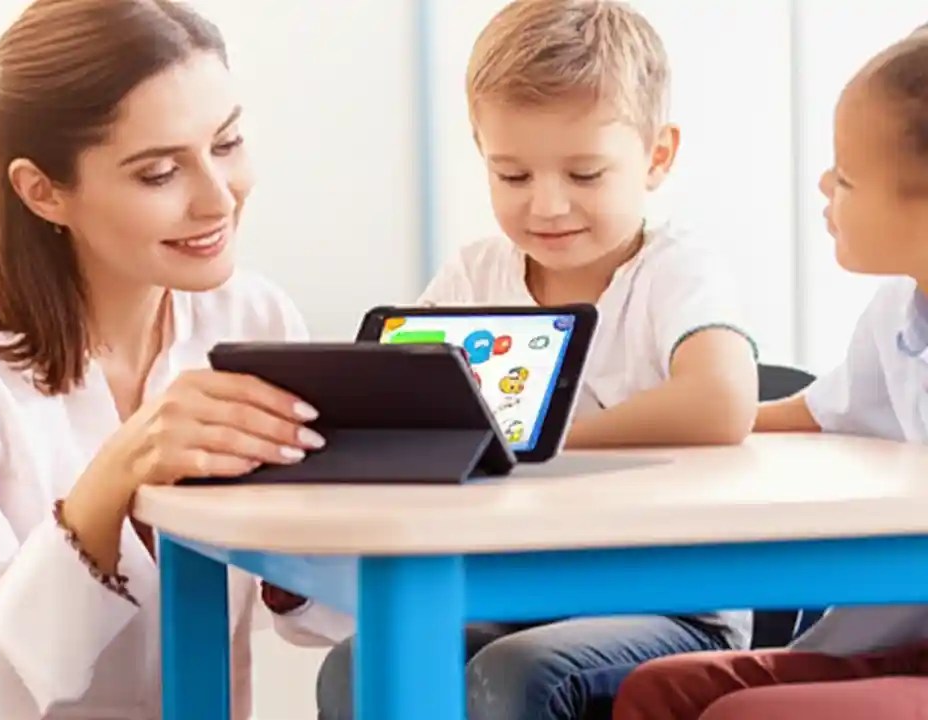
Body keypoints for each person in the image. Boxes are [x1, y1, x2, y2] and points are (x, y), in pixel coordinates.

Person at [0, 1, 331, 718]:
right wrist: (109, 485)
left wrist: (302, 549)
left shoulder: (251, 319)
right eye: (160, 173)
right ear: (43, 191)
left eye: (226, 144)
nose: (217, 198)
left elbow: (313, 612)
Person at [308, 2, 760, 718]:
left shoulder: (677, 272)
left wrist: (526, 442)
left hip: (670, 603)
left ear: (657, 157)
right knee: (363, 663)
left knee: (520, 674)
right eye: (513, 176)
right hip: (514, 589)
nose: (548, 206)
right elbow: (394, 402)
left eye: (584, 175)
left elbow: (721, 400)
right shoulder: (474, 275)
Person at [613, 28, 928, 720]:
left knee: (745, 715)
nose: (823, 185)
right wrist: (629, 431)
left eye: (845, 177)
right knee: (656, 690)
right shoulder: (901, 311)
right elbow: (816, 414)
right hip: (906, 638)